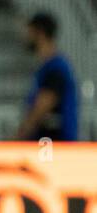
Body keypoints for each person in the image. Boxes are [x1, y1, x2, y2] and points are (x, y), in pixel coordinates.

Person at [16, 12, 79, 142]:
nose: (25, 37)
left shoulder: (56, 68)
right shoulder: (48, 67)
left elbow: (42, 107)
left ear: (39, 33)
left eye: (29, 32)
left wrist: (17, 138)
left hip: (53, 146)